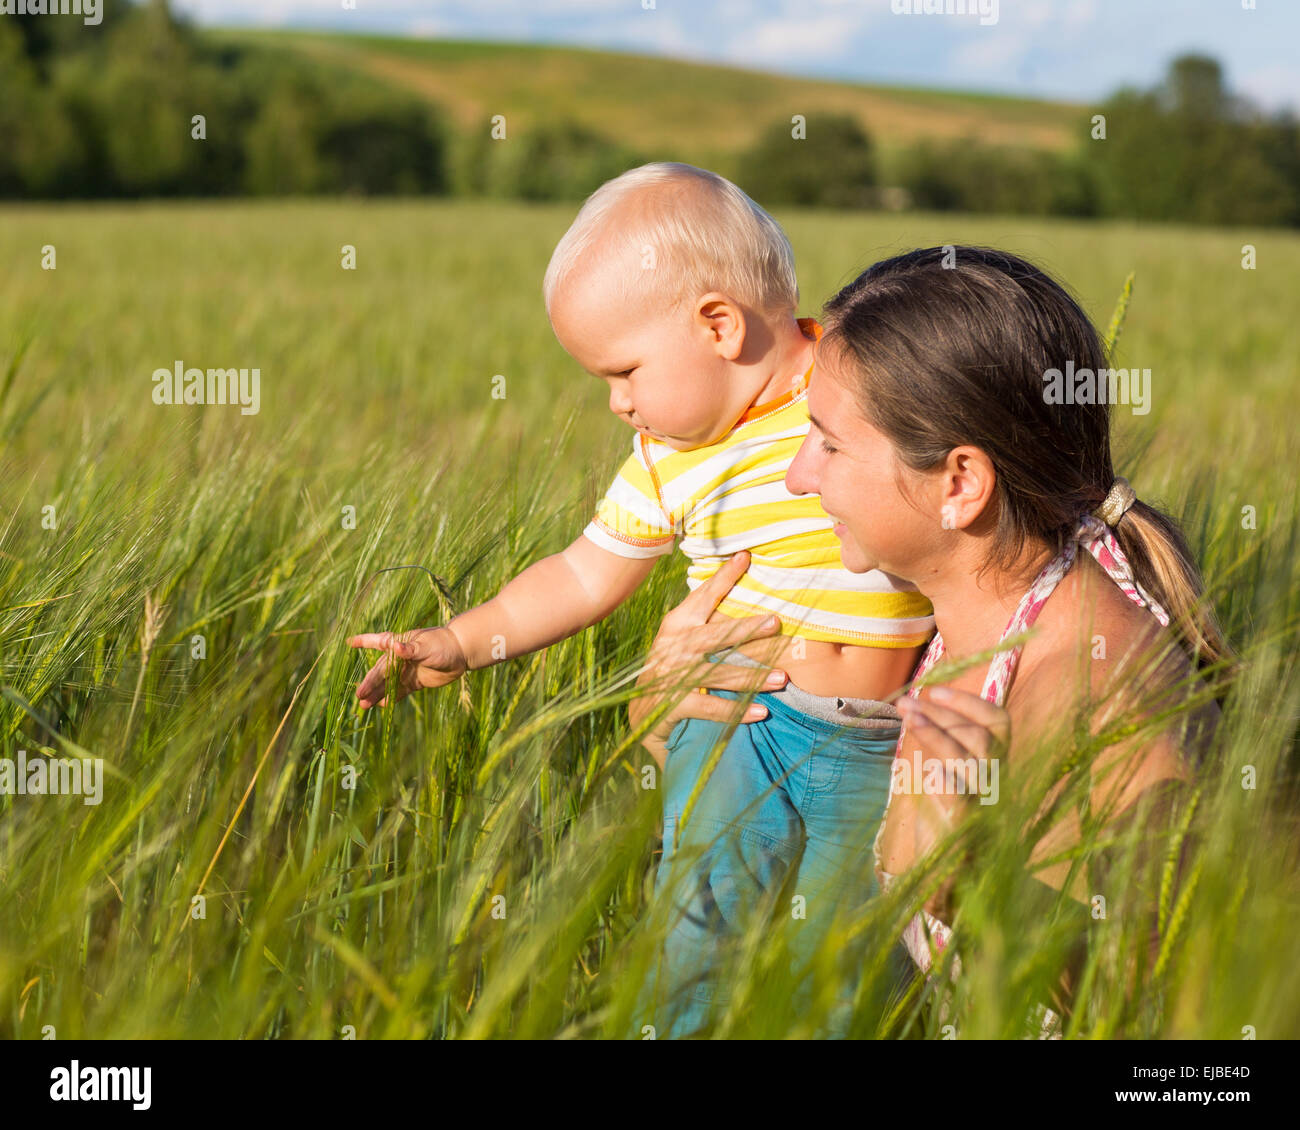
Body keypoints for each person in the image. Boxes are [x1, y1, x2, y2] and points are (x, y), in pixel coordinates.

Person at [346, 164, 933, 1038]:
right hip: (741, 720)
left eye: (623, 372)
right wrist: (464, 643)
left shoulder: (863, 388)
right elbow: (583, 576)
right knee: (699, 930)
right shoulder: (667, 461)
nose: (618, 405)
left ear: (719, 325)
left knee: (845, 962)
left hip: (882, 740)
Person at [632, 245, 1227, 1033]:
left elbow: (1188, 1031)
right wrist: (666, 724)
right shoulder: (931, 617)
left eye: (831, 443)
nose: (797, 477)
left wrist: (973, 882)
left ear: (959, 484)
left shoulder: (1097, 706)